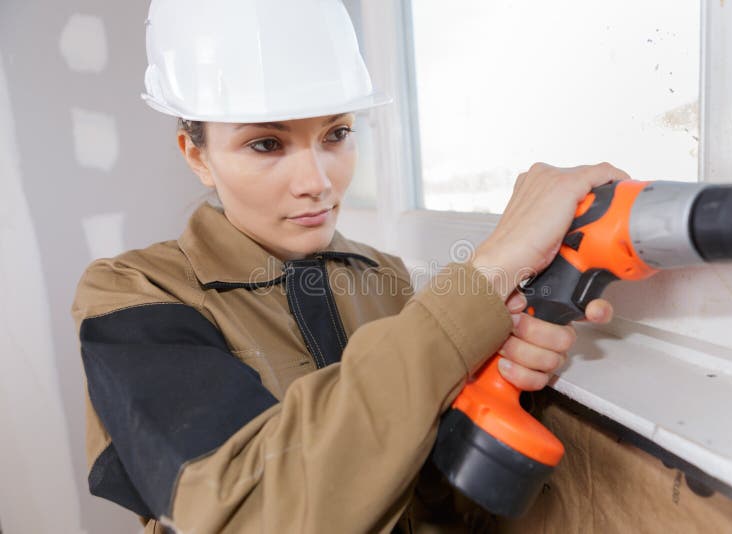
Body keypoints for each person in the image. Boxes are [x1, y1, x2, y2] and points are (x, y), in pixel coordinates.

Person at [71, 0, 625, 532]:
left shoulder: (386, 278)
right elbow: (248, 514)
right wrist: (481, 281)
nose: (318, 182)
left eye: (336, 134)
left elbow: (425, 495)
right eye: (266, 144)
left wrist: (482, 370)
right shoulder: (134, 293)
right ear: (197, 155)